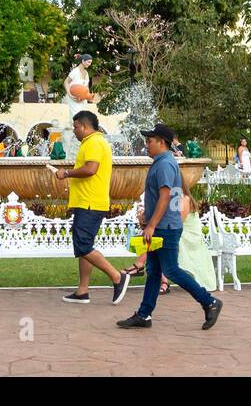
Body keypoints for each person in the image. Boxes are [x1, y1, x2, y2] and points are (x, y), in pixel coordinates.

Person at [116, 124, 221, 330]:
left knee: (171, 270)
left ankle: (210, 302)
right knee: (154, 271)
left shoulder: (164, 164)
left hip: (166, 227)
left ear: (161, 142)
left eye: (150, 141)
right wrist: (148, 217)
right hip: (162, 225)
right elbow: (162, 196)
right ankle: (144, 315)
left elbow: (165, 196)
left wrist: (152, 225)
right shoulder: (162, 162)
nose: (147, 144)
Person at [55, 110, 129, 305]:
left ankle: (117, 277)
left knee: (83, 246)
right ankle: (82, 291)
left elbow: (91, 169)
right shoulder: (92, 142)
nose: (74, 131)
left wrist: (67, 173)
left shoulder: (95, 142)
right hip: (87, 202)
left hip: (90, 203)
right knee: (83, 247)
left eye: (76, 127)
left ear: (86, 127)